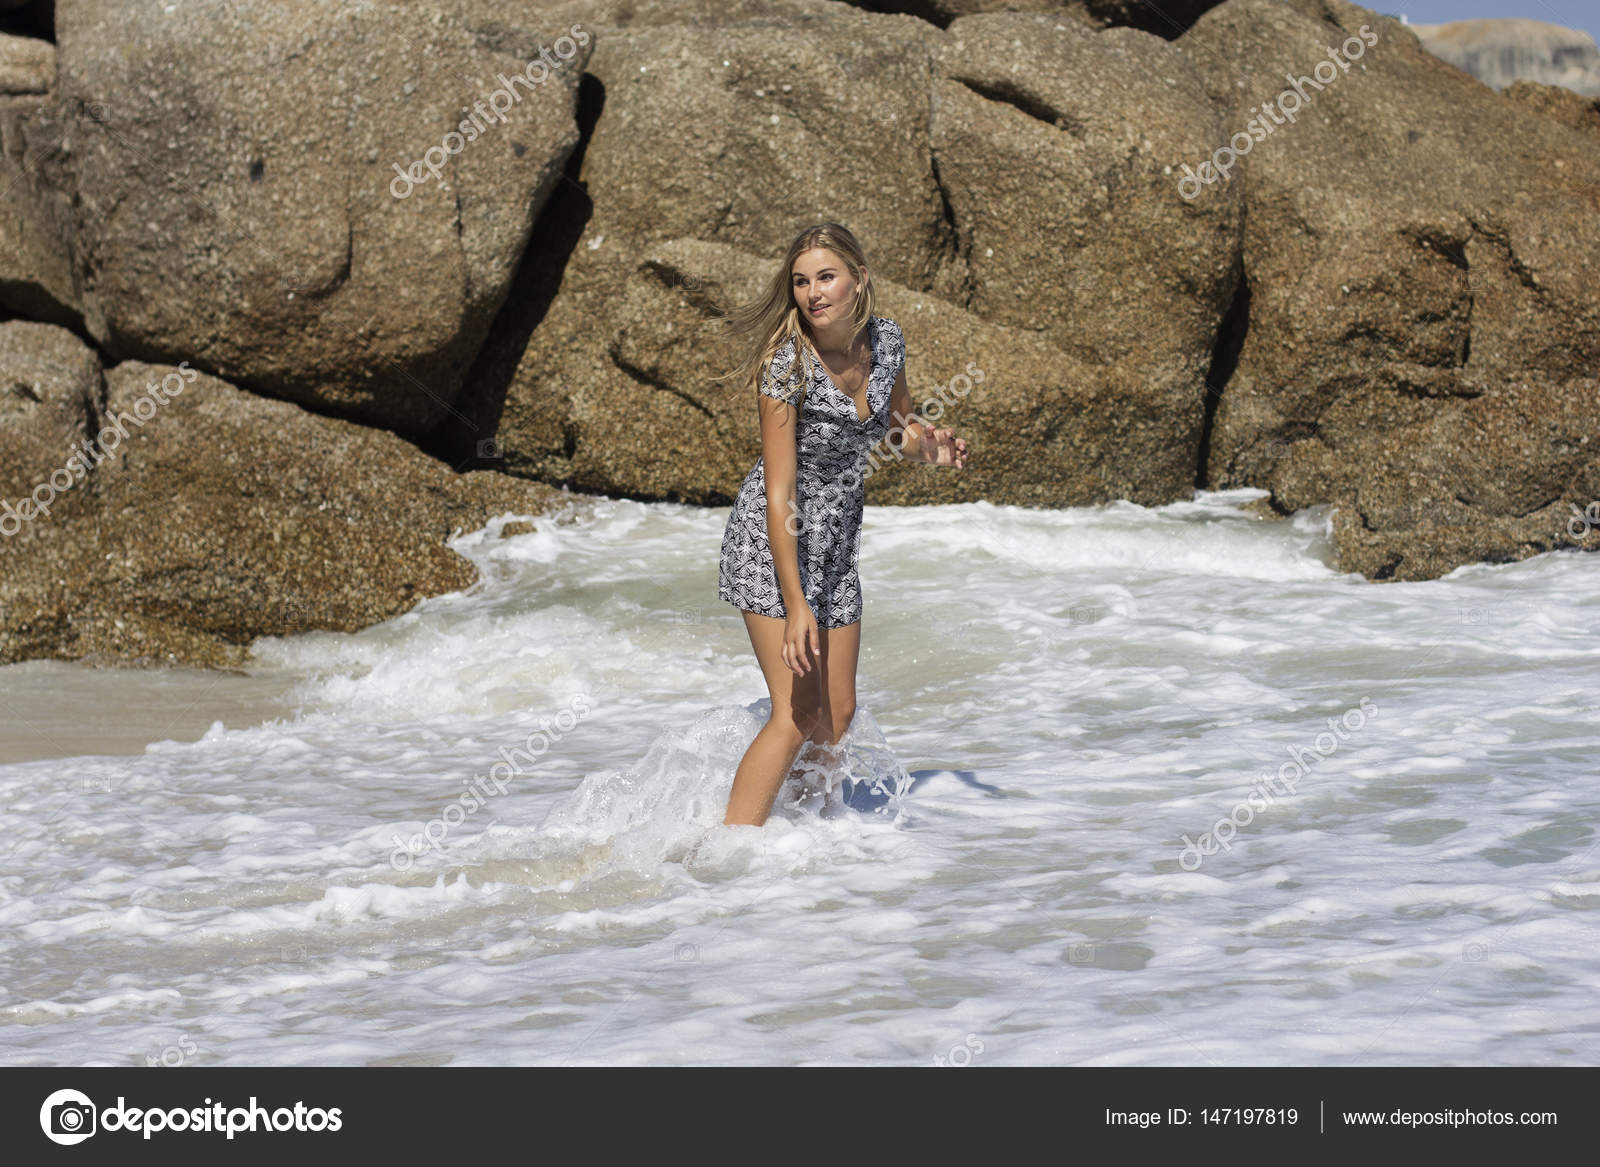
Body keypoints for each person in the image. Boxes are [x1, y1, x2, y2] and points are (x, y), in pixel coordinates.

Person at [712, 222, 968, 827]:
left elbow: (897, 429)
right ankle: (728, 852)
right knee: (796, 715)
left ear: (860, 280)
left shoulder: (887, 342)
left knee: (838, 714)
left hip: (837, 545)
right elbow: (779, 494)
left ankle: (807, 838)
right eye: (801, 282)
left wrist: (928, 448)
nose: (812, 293)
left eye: (826, 277)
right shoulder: (785, 365)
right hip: (772, 542)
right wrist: (796, 604)